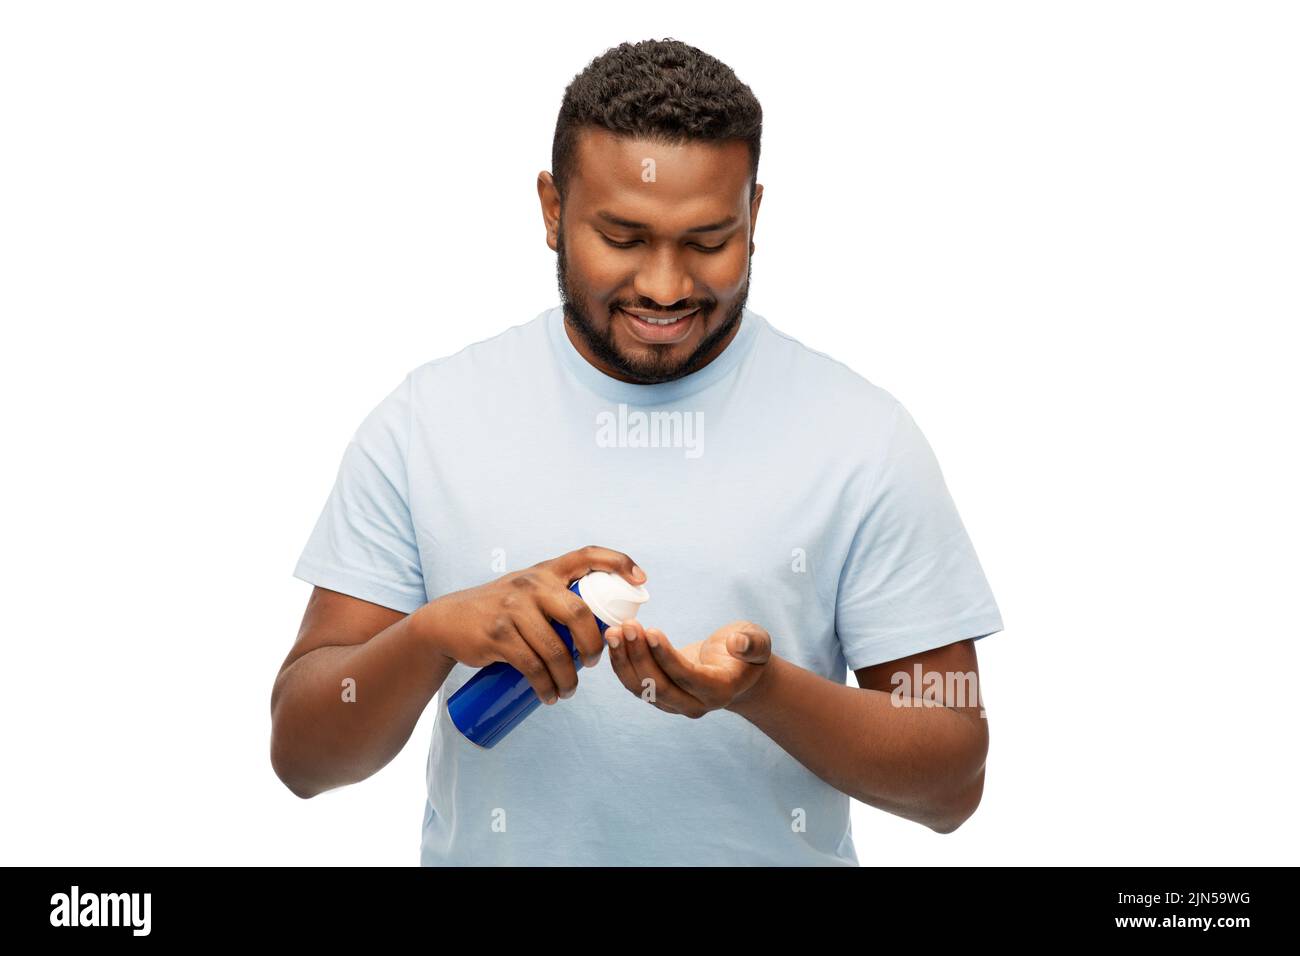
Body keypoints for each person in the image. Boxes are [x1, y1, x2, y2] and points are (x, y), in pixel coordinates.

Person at [270, 37, 1004, 866]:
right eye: (622, 237)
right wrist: (430, 635)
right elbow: (302, 755)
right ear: (552, 209)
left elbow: (951, 780)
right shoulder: (426, 423)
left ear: (755, 216)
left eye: (709, 240)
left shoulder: (862, 438)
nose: (664, 286)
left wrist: (764, 691)